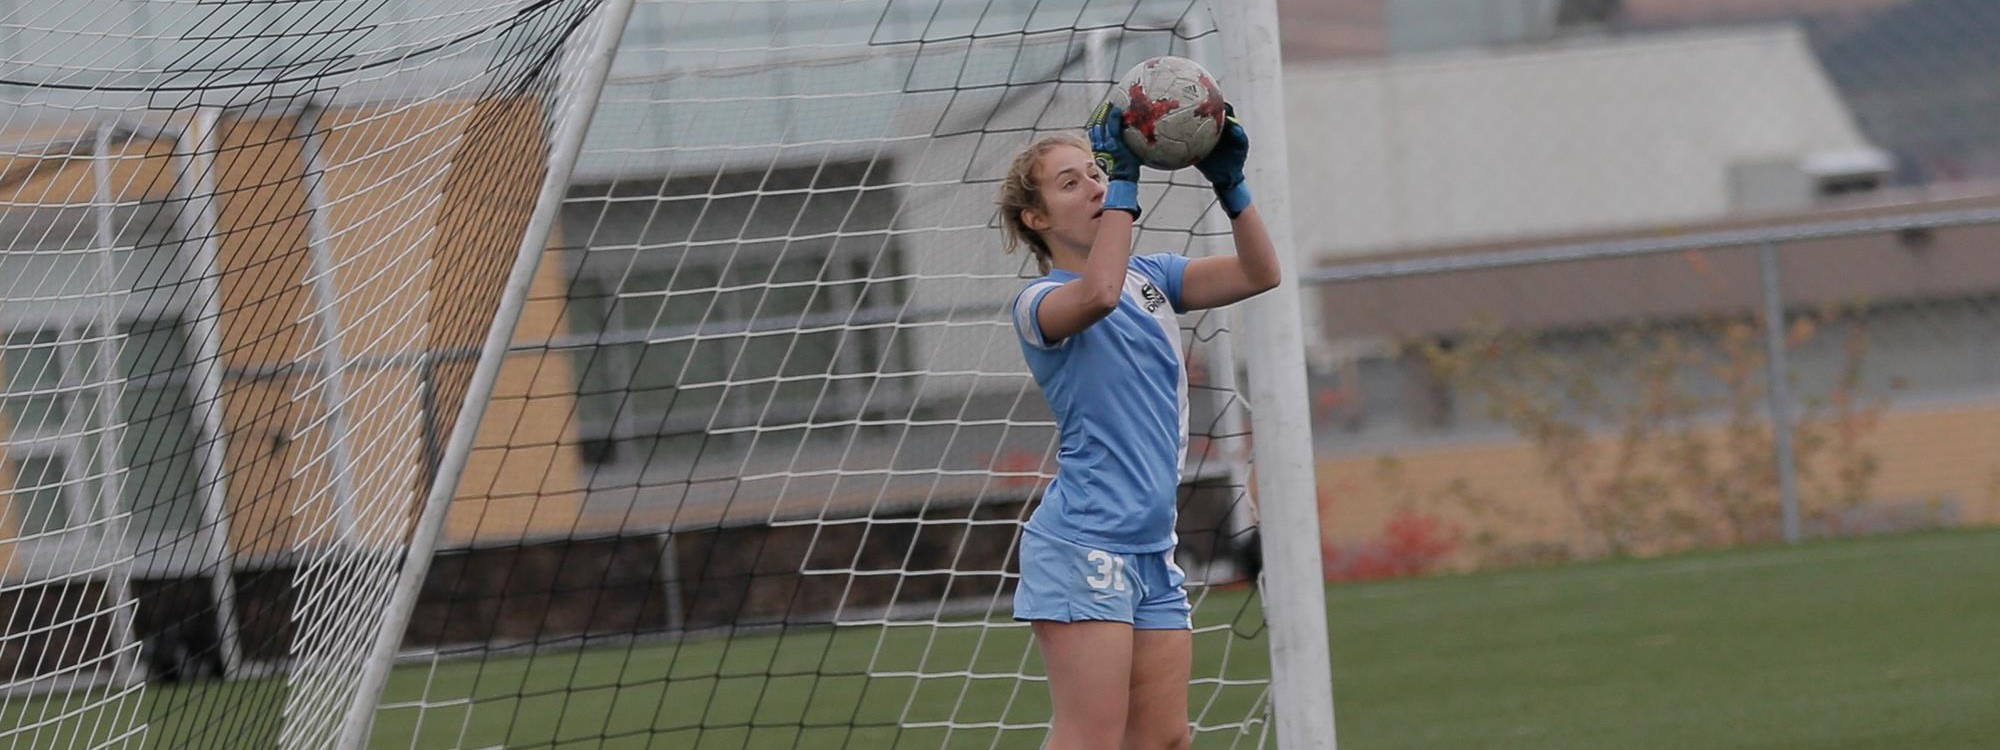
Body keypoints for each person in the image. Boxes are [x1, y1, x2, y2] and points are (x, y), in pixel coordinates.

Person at [996, 101, 1280, 750]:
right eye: (1072, 183)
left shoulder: (1151, 278)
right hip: (1082, 544)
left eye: (1097, 173)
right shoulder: (1038, 303)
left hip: (1152, 547)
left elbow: (1261, 272)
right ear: (1035, 219)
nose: (1096, 186)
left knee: (1165, 739)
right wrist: (1125, 187)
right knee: (1091, 738)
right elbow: (1096, 294)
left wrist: (1231, 187)